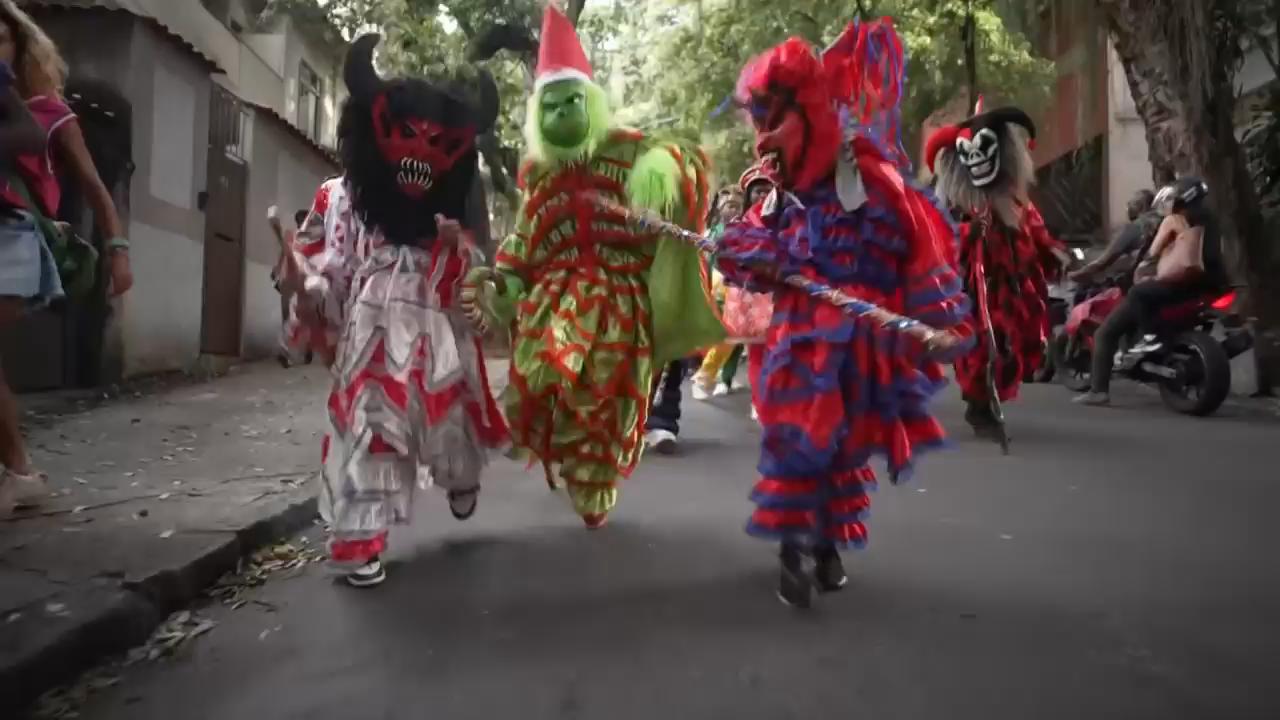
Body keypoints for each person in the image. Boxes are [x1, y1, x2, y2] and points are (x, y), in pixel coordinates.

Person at [718, 18, 970, 608]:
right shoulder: (786, 191)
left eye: (772, 122)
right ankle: (792, 547)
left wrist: (938, 322)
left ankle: (825, 543)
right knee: (798, 438)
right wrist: (753, 251)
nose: (762, 140)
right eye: (758, 124)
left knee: (843, 447)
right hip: (801, 343)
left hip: (861, 346)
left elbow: (916, 248)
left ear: (808, 112)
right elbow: (757, 248)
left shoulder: (872, 178)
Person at [464, 5, 721, 529]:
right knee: (537, 385)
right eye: (551, 106)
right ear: (539, 115)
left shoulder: (628, 151)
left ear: (592, 102)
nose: (562, 114)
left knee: (605, 398)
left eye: (571, 102)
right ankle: (571, 460)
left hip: (618, 303)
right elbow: (524, 240)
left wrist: (660, 174)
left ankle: (596, 477)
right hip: (553, 302)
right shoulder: (541, 179)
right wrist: (507, 281)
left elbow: (685, 159)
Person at [284, 35, 509, 587]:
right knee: (372, 418)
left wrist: (461, 252)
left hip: (438, 326)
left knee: (450, 415)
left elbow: (479, 273)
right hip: (372, 330)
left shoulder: (454, 216)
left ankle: (460, 475)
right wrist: (307, 286)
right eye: (408, 137)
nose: (421, 153)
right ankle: (359, 535)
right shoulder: (339, 197)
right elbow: (319, 263)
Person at [0, 1, 131, 518]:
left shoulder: (49, 114)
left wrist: (118, 252)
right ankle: (19, 470)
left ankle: (21, 471)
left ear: (20, 46)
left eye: (0, 38)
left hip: (15, 238)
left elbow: (97, 190)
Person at [924, 97, 1063, 439]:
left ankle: (985, 397)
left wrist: (1052, 253)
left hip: (1009, 289)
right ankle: (978, 403)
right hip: (968, 288)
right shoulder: (955, 205)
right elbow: (939, 240)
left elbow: (1034, 232)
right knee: (977, 346)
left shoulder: (1015, 203)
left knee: (1008, 346)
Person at [1074, 177, 1226, 406]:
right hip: (1209, 285)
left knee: (1107, 331)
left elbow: (1146, 256)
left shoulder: (1159, 223)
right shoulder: (1211, 219)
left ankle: (1099, 390)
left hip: (1177, 285)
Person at [690, 185, 745, 400]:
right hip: (709, 285)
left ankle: (716, 376)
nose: (733, 209)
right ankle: (706, 372)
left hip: (735, 288)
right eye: (728, 204)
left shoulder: (745, 229)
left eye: (737, 204)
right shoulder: (708, 231)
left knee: (732, 335)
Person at [1069, 189, 1162, 288]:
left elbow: (1102, 262)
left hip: (1140, 282)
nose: (1128, 208)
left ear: (1139, 207)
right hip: (1160, 277)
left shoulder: (1136, 227)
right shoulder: (1161, 222)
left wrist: (1074, 275)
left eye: (1131, 204)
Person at [270, 206, 313, 367]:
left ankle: (297, 348)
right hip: (295, 279)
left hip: (293, 278)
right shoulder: (305, 238)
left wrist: (277, 269)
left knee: (293, 316)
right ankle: (293, 349)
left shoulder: (295, 236)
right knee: (294, 315)